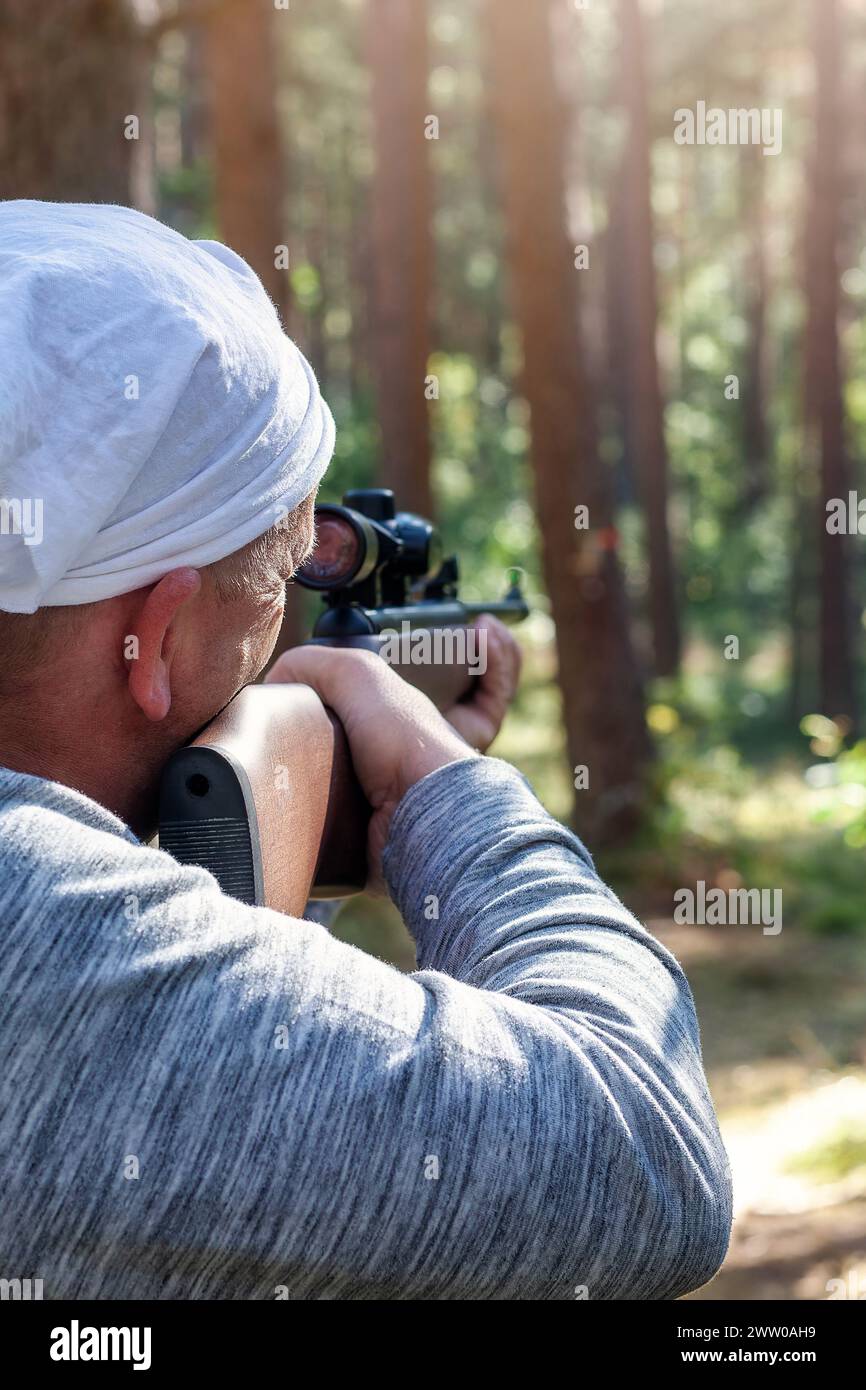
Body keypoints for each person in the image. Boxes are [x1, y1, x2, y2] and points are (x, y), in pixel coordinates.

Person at [0, 201, 731, 1300]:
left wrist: (318, 823)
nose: (277, 639)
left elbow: (202, 1111)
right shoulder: (48, 944)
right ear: (150, 635)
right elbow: (645, 1150)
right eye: (277, 589)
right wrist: (454, 802)